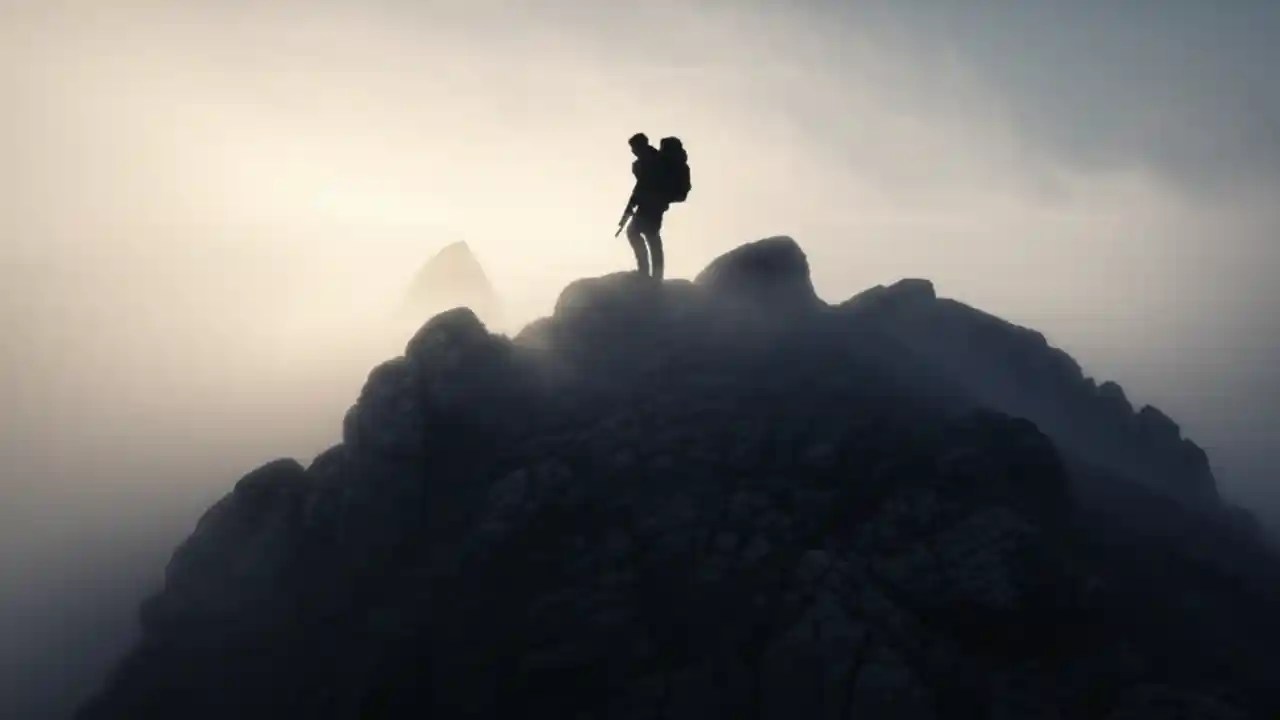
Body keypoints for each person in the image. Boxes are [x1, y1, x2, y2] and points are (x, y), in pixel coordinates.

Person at [617, 132, 668, 280]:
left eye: (634, 148)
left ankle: (650, 274)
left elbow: (643, 186)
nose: (633, 151)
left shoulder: (652, 161)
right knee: (645, 235)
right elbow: (640, 187)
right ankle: (649, 273)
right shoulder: (646, 161)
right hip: (648, 204)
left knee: (648, 235)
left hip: (653, 205)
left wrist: (632, 205)